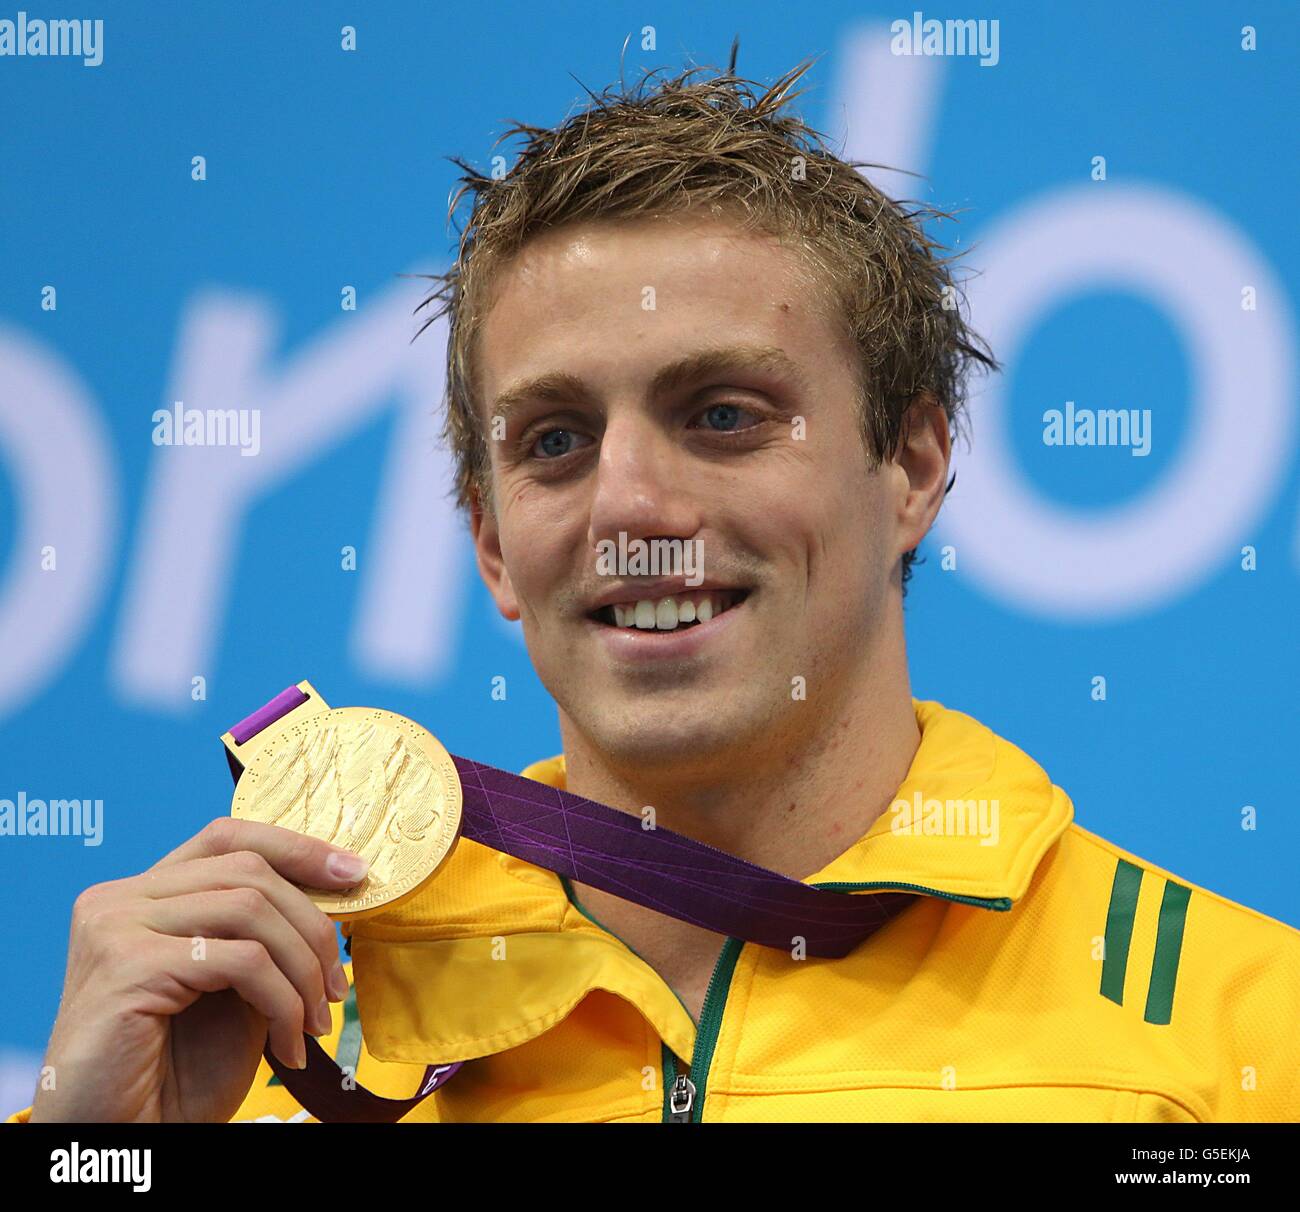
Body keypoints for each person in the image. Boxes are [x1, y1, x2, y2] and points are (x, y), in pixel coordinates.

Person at [13, 59, 1299, 1124]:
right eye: (555, 441)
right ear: (492, 543)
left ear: (911, 465)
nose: (629, 506)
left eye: (724, 414)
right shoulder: (269, 1067)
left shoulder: (1240, 1039)